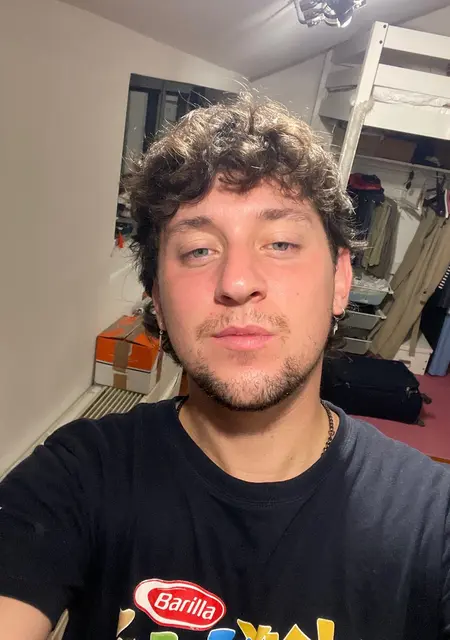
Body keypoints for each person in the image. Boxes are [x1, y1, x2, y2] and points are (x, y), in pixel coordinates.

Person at [0, 93, 449, 640]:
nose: (237, 282)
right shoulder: (75, 476)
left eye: (279, 243)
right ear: (157, 297)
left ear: (339, 280)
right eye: (198, 250)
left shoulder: (432, 519)